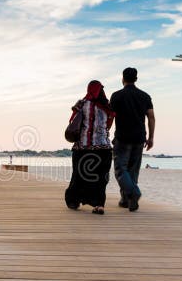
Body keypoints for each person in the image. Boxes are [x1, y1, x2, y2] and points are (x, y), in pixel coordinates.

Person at [65, 80, 115, 215]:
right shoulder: (107, 106)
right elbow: (108, 126)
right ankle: (99, 205)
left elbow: (72, 122)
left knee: (79, 175)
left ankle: (73, 201)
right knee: (100, 178)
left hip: (82, 148)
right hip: (103, 148)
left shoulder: (81, 104)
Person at [110, 67, 154, 212]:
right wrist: (151, 137)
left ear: (123, 79)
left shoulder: (116, 96)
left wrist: (106, 132)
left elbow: (110, 116)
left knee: (120, 170)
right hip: (139, 138)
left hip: (122, 137)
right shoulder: (145, 96)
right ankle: (126, 200)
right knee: (133, 171)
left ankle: (133, 194)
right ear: (136, 79)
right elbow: (151, 117)